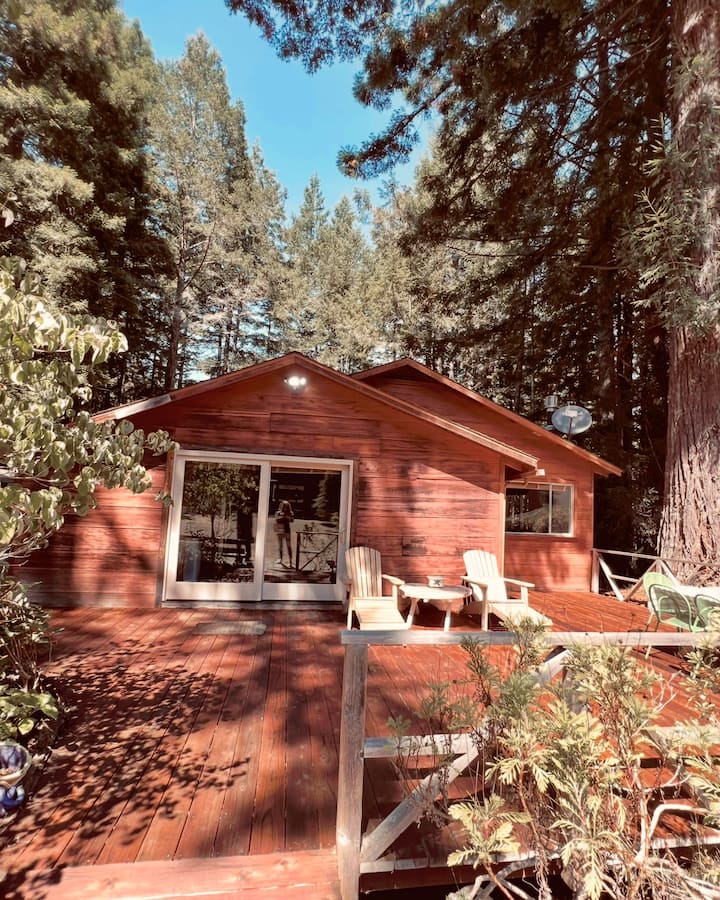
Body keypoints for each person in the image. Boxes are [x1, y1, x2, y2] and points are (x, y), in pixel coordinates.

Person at [273, 500, 294, 566]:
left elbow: (292, 519)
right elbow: (276, 518)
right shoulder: (278, 512)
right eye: (283, 506)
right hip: (280, 530)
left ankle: (290, 561)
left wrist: (286, 516)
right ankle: (280, 559)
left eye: (286, 506)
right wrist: (283, 516)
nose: (284, 507)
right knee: (280, 546)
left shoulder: (290, 513)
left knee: (288, 546)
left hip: (287, 530)